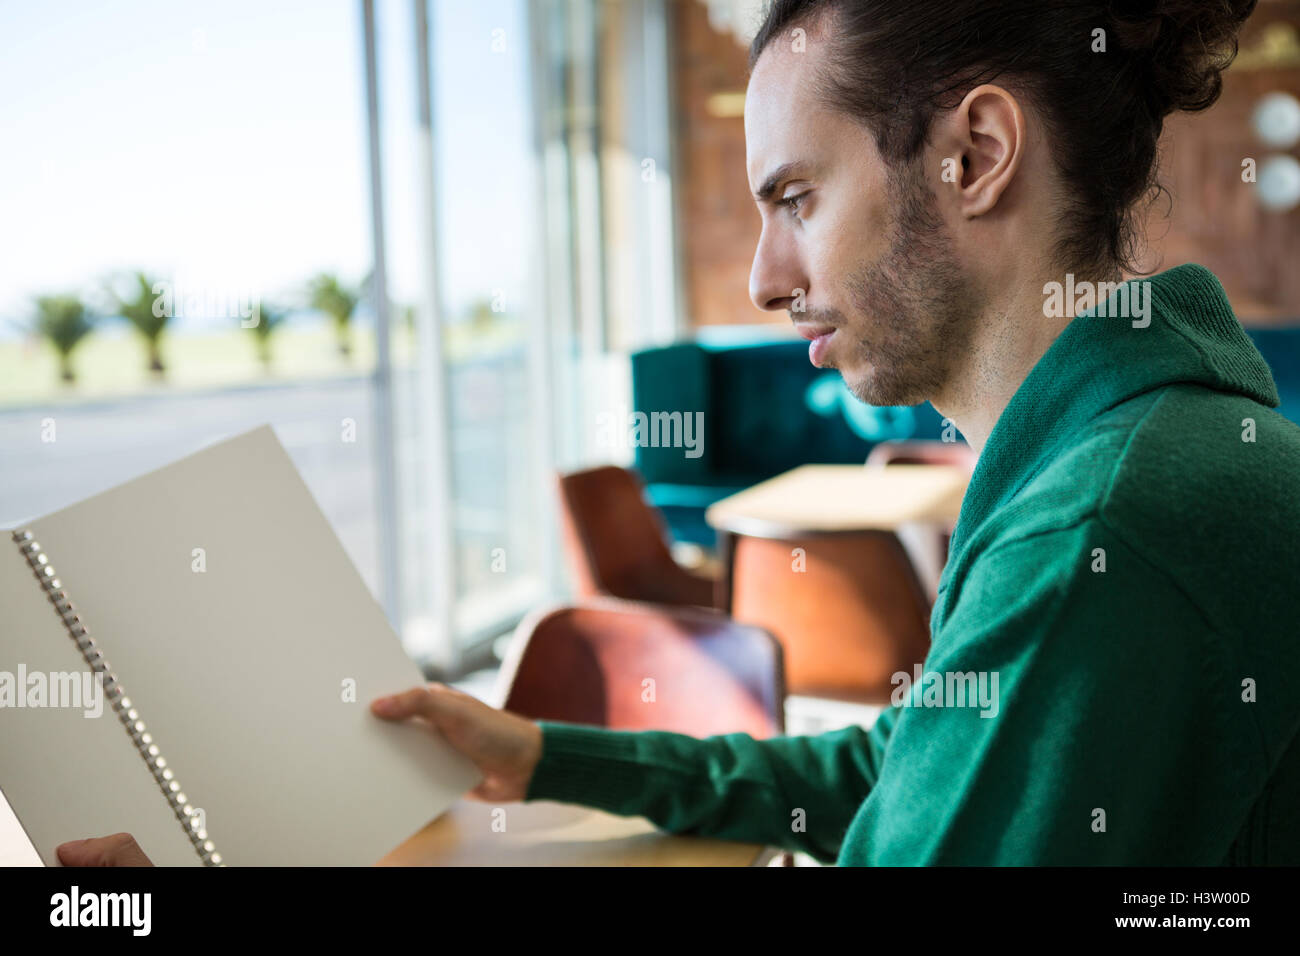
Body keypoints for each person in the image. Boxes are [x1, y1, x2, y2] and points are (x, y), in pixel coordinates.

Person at [61, 0, 1300, 867]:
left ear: (972, 155)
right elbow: (900, 774)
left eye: (797, 199)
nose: (765, 278)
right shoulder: (1137, 458)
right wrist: (549, 752)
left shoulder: (1106, 532)